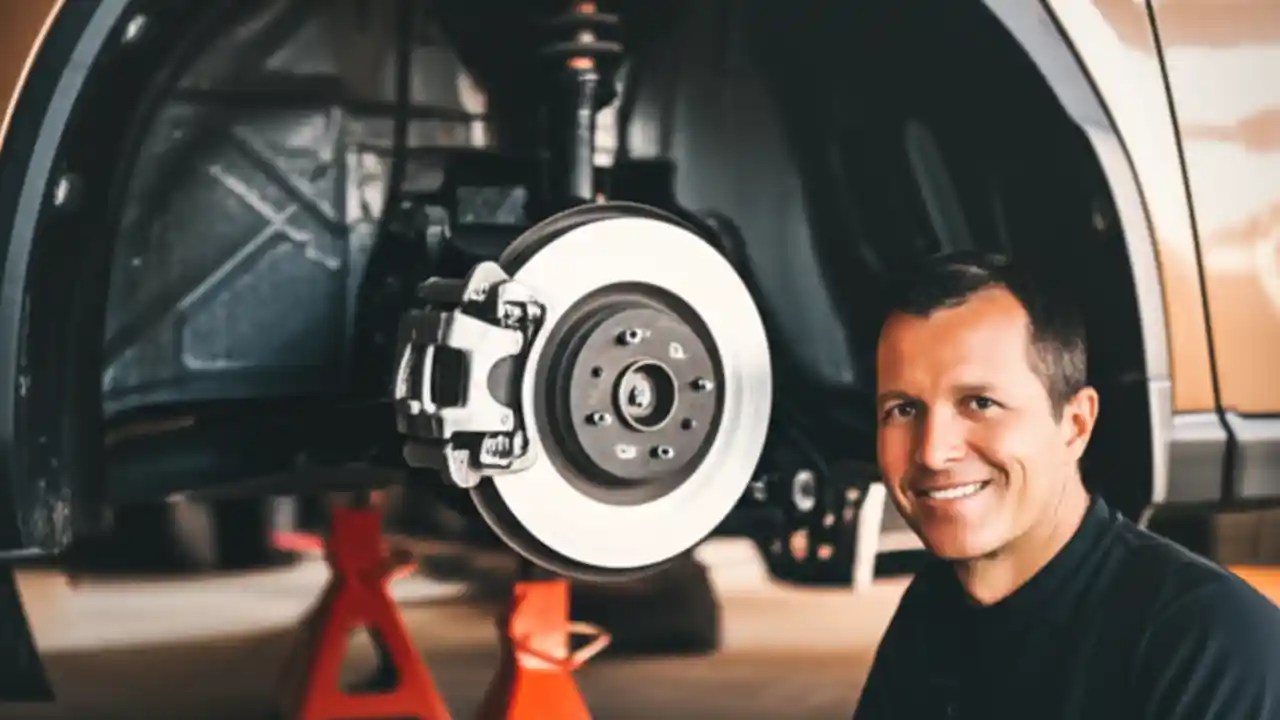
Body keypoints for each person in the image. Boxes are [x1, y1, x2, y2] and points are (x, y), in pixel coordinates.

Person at [854, 251, 1280, 720]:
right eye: (903, 410)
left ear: (1076, 425)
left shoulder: (1208, 642)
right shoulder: (932, 612)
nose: (933, 452)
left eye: (980, 402)